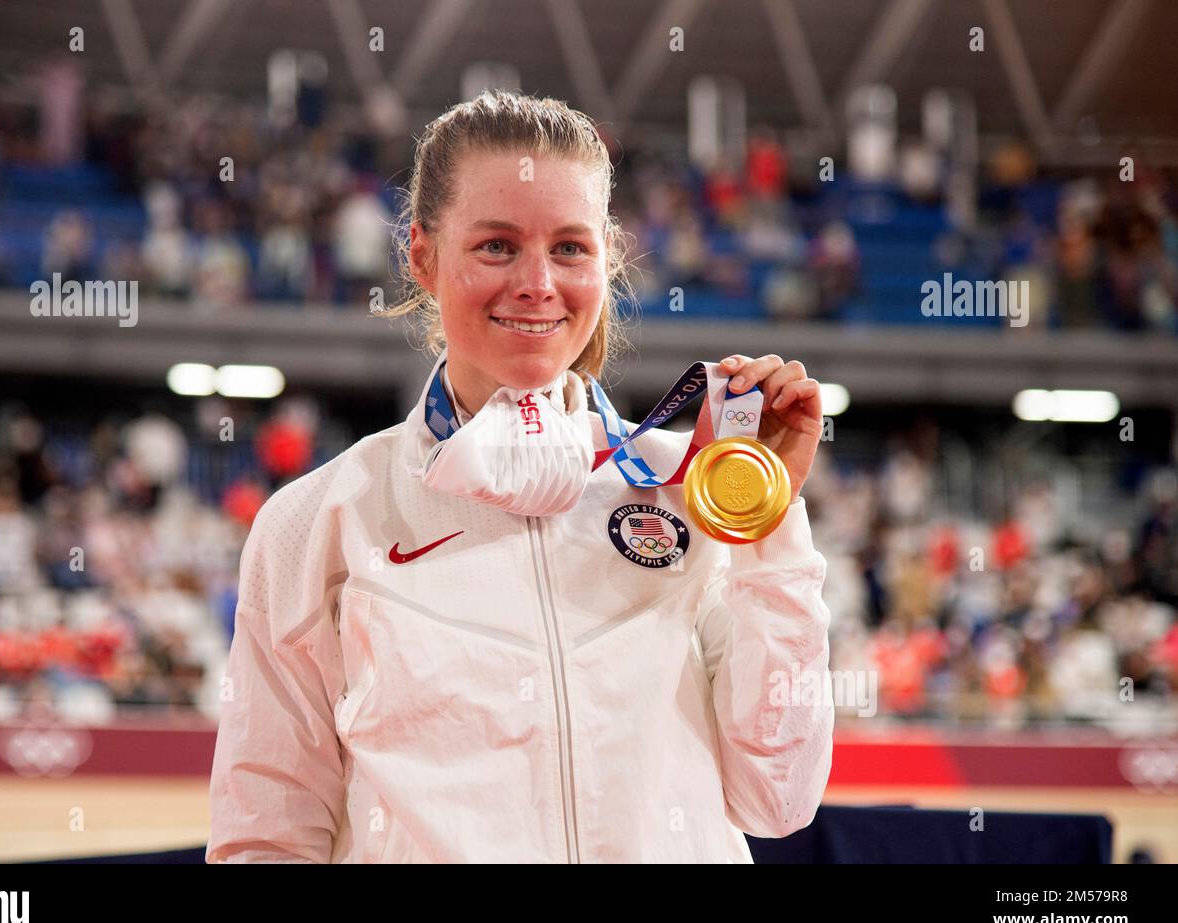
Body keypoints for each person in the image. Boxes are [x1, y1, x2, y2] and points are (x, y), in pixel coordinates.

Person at [207, 91, 831, 863]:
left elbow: (778, 798)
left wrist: (762, 522)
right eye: (497, 246)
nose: (538, 283)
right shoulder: (318, 520)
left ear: (608, 260)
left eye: (570, 248)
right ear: (422, 256)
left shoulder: (691, 487)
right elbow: (265, 838)